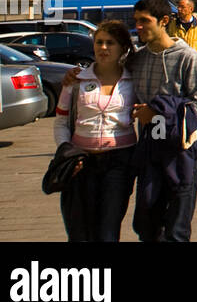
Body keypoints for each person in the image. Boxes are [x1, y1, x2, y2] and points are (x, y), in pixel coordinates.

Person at [126, 0, 197, 242]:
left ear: (164, 20)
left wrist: (158, 112)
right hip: (150, 148)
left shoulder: (187, 57)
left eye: (144, 21)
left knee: (177, 228)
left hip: (181, 151)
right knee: (146, 222)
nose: (138, 26)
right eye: (136, 21)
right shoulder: (138, 59)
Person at [53, 20, 138, 242]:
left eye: (110, 43)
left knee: (109, 229)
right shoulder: (77, 79)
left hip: (120, 161)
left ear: (123, 47)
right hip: (82, 163)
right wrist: (67, 152)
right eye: (99, 42)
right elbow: (61, 121)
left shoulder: (133, 80)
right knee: (81, 230)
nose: (103, 48)